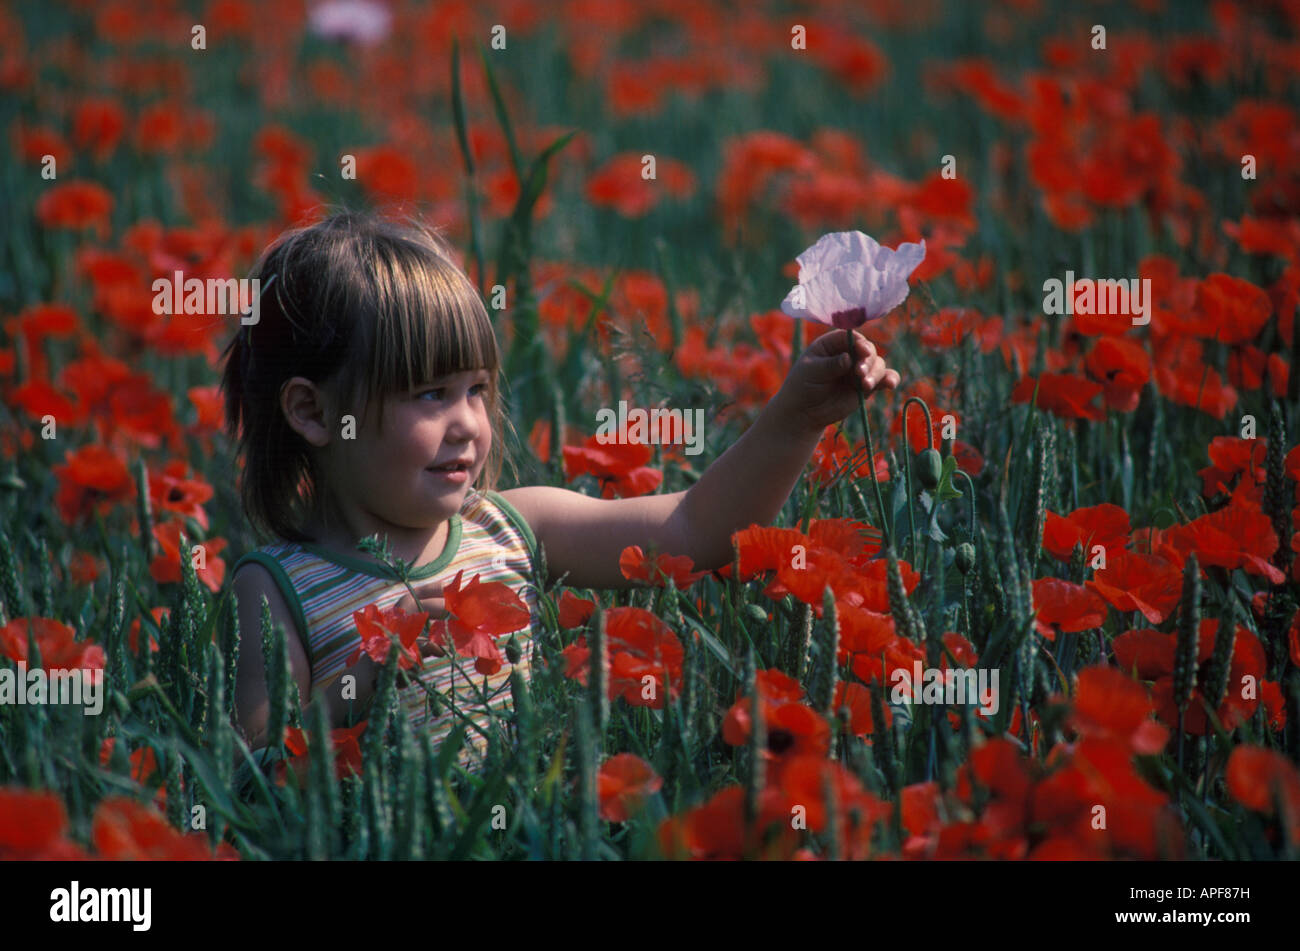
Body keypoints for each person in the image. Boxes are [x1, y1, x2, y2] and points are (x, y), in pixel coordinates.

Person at [222, 209, 900, 771]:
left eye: (476, 390)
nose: (467, 423)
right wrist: (370, 675)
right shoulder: (278, 587)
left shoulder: (516, 528)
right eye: (429, 394)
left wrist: (797, 416)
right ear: (312, 412)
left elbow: (696, 529)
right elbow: (251, 765)